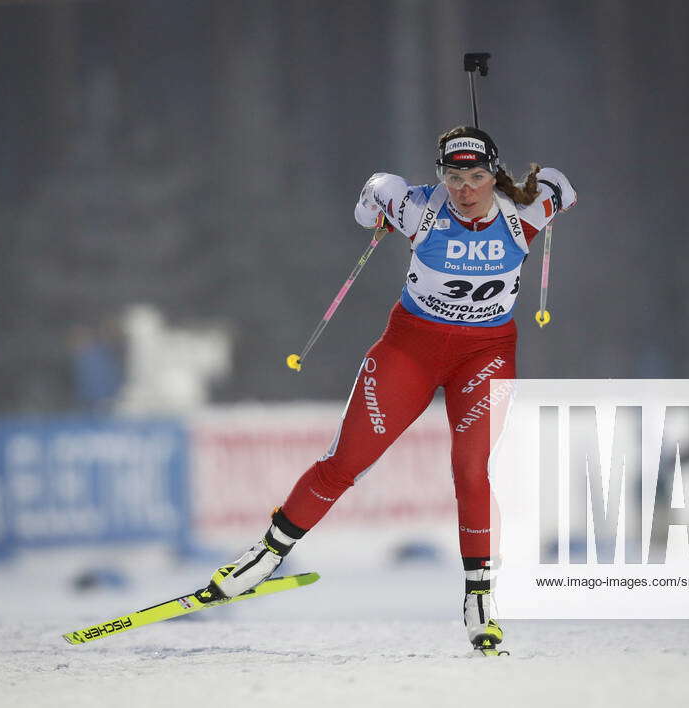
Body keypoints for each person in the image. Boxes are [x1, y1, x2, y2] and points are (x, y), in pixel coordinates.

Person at [207, 126, 576, 653]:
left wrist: (532, 188)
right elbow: (373, 192)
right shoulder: (419, 208)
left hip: (486, 354)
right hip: (412, 349)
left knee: (471, 469)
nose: (465, 190)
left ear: (493, 174)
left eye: (476, 177)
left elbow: (563, 185)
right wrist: (375, 211)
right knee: (346, 462)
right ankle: (265, 556)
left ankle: (479, 598)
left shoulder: (522, 213)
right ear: (440, 177)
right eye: (453, 178)